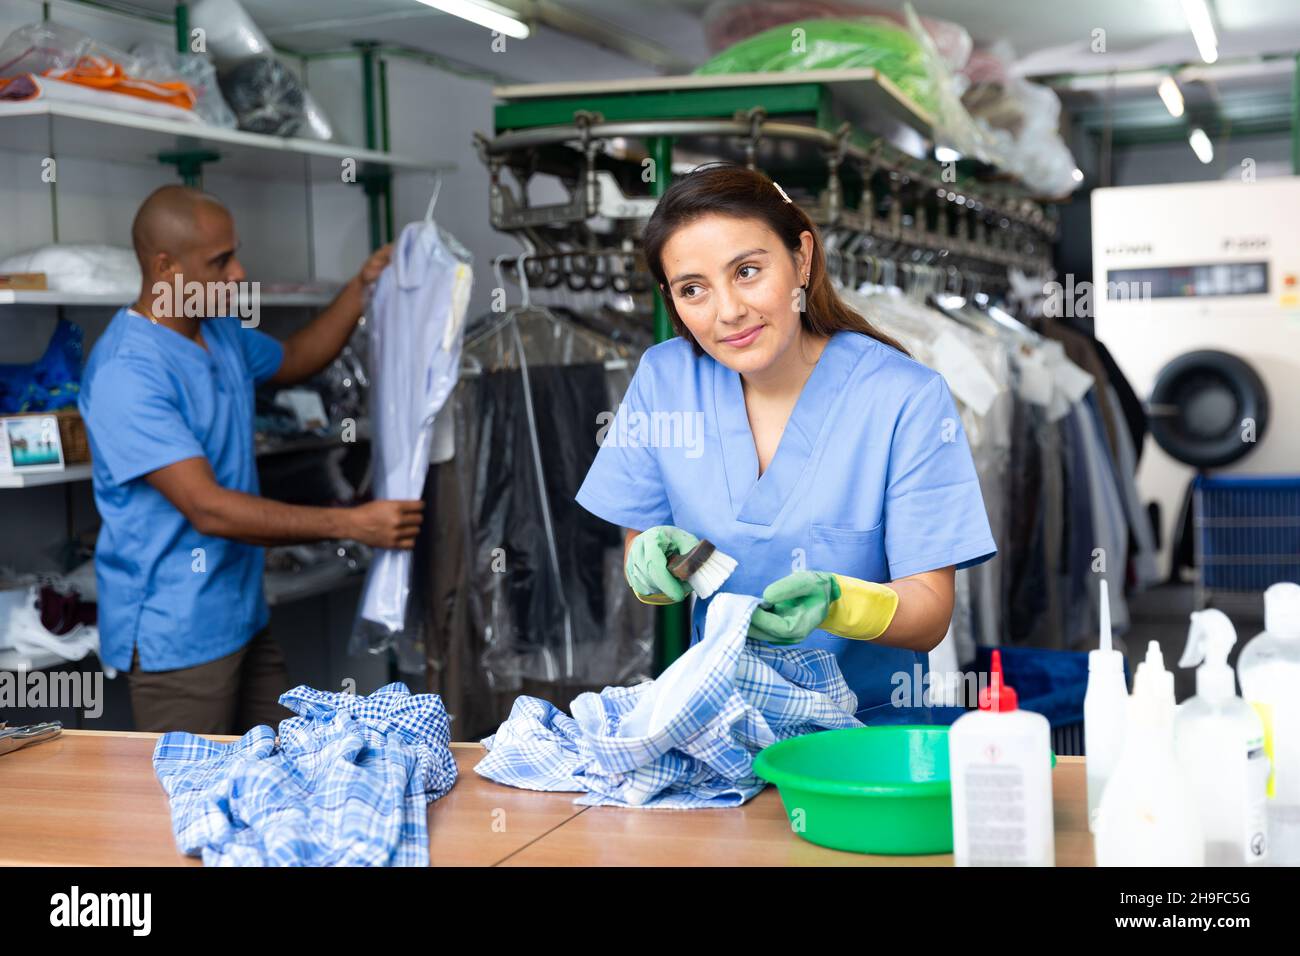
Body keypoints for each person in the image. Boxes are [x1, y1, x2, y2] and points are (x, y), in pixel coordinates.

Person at [576, 164, 996, 724]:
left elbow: (931, 614)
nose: (727, 311)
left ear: (802, 257)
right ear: (670, 298)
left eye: (747, 271)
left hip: (862, 736)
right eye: (692, 289)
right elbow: (643, 555)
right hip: (717, 725)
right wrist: (652, 567)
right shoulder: (664, 379)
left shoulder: (904, 398)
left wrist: (839, 603)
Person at [79, 185, 423, 734]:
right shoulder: (128, 372)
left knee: (282, 772)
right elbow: (209, 510)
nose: (239, 274)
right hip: (180, 636)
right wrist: (354, 523)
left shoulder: (217, 332)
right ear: (166, 267)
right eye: (220, 262)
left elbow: (294, 358)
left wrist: (361, 288)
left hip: (243, 613)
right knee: (191, 803)